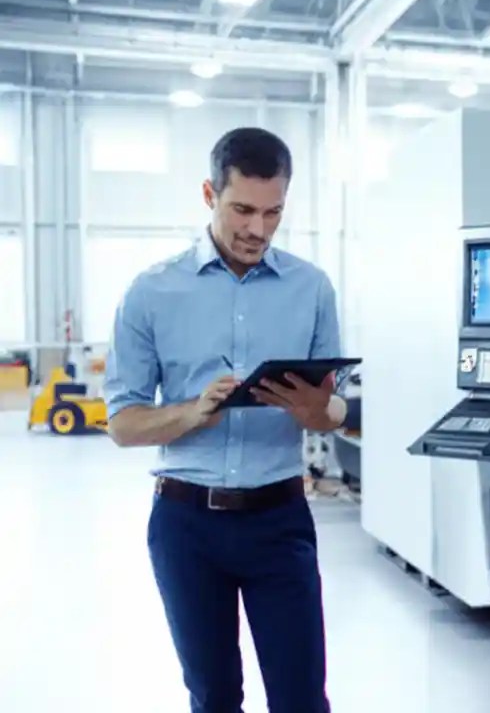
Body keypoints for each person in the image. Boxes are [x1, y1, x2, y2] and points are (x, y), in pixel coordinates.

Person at [104, 127, 346, 713]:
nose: (257, 229)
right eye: (242, 209)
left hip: (279, 521)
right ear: (209, 194)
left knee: (301, 699)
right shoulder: (150, 292)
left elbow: (333, 409)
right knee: (213, 698)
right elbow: (122, 423)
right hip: (186, 528)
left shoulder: (311, 288)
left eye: (273, 212)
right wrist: (191, 412)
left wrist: (316, 410)